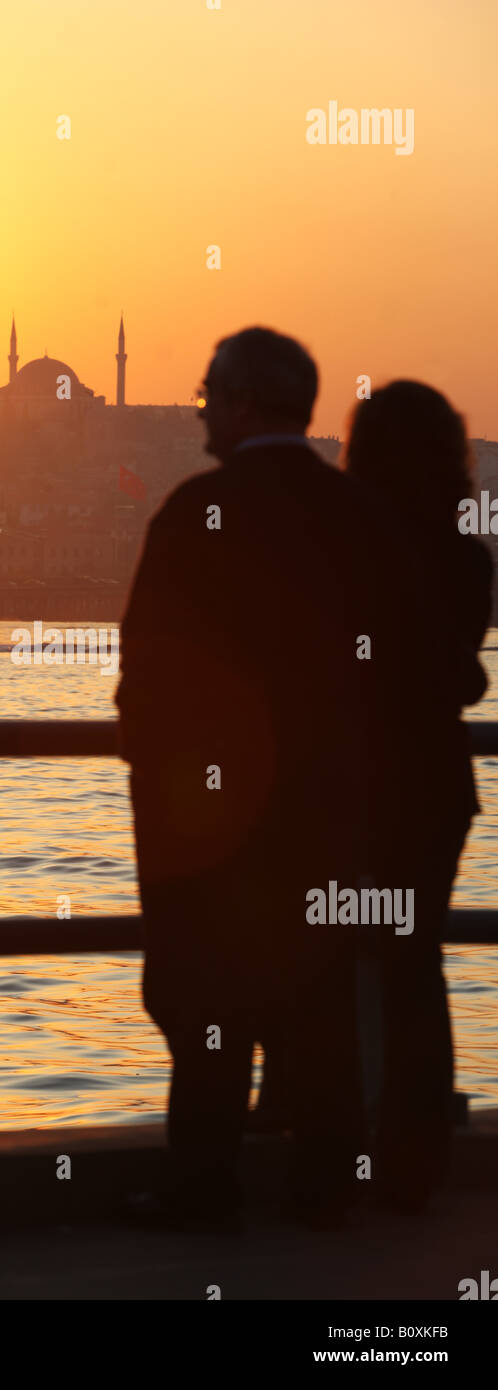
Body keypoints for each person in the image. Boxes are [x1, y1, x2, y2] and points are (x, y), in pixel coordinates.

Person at [115, 327, 436, 1230]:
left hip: (208, 819)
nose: (200, 405)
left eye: (211, 390)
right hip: (332, 816)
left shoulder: (196, 514)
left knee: (203, 1005)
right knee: (319, 1000)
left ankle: (204, 1184)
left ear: (246, 402)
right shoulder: (362, 517)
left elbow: (149, 673)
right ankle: (325, 1186)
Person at [343, 381, 491, 1210]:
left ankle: (347, 1136)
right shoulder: (465, 551)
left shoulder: (353, 543)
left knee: (342, 957)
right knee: (414, 963)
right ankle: (418, 1140)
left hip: (360, 784)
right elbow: (458, 671)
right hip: (438, 789)